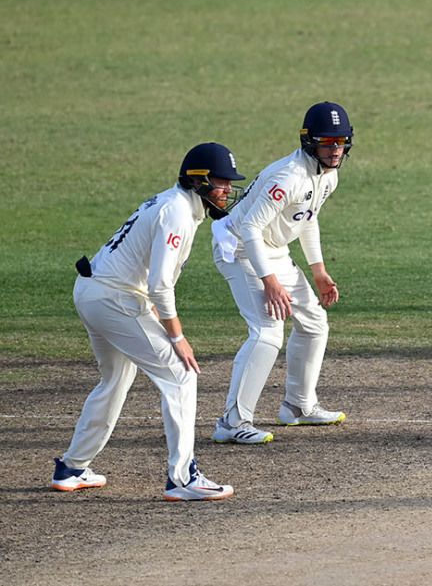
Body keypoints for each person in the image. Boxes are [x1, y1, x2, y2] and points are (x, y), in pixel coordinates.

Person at [54, 143, 243, 501]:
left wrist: (155, 317)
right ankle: (183, 478)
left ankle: (72, 467)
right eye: (221, 182)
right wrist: (177, 337)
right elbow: (160, 284)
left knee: (115, 379)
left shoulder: (173, 205)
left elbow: (142, 274)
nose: (227, 190)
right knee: (180, 374)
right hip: (114, 299)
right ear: (199, 182)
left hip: (95, 292)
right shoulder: (177, 213)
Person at [211, 102, 353, 445]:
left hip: (271, 249)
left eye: (340, 142)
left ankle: (298, 406)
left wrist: (318, 270)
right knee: (266, 333)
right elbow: (249, 228)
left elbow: (307, 217)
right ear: (309, 141)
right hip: (240, 249)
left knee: (314, 322)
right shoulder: (288, 176)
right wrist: (269, 280)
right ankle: (232, 422)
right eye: (327, 142)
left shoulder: (327, 175)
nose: (334, 150)